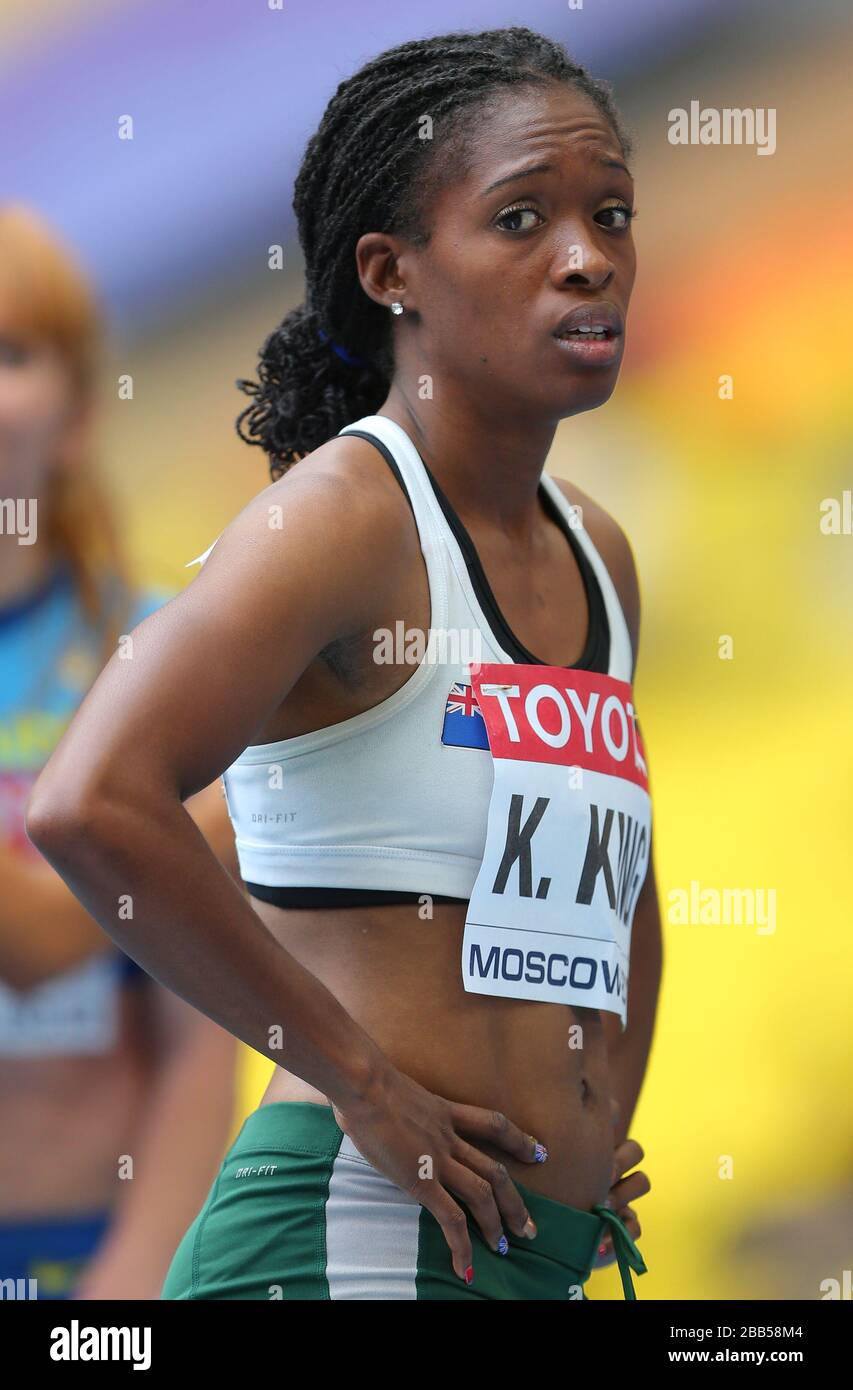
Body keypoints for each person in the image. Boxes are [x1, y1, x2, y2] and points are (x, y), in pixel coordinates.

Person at [27, 27, 661, 1301]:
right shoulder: (342, 519)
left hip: (526, 1242)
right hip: (350, 1229)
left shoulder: (594, 549)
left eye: (610, 214)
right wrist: (357, 1078)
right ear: (392, 273)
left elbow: (625, 889)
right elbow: (88, 804)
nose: (588, 258)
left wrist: (594, 1125)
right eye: (523, 218)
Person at [0, 204, 241, 1299]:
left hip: (95, 1247)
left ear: (82, 410)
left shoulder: (157, 661)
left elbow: (204, 1040)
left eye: (8, 353)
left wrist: (136, 1281)